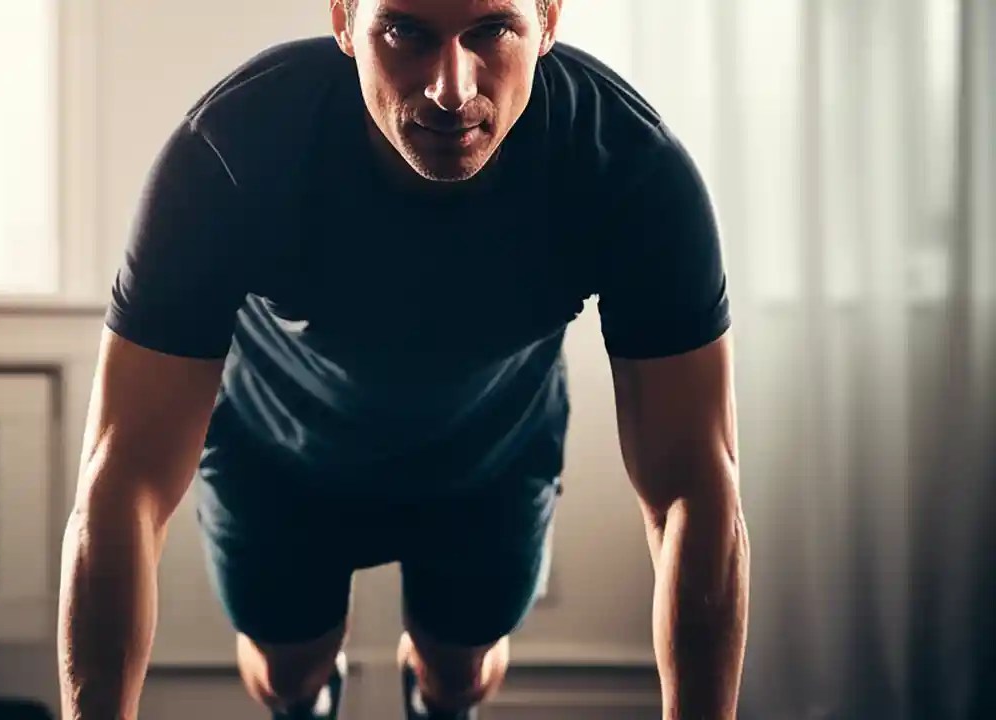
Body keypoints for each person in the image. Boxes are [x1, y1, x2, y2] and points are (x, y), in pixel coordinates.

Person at [57, 0, 751, 718]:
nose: (451, 89)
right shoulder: (228, 152)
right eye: (404, 31)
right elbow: (123, 480)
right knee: (287, 673)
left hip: (491, 457)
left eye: (491, 30)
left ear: (547, 19)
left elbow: (693, 491)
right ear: (343, 21)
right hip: (279, 459)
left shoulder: (631, 168)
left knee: (460, 674)